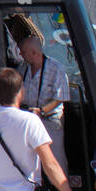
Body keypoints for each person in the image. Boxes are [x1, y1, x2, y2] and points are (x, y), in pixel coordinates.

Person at [17, 36, 69, 177]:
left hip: (50, 121)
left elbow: (61, 98)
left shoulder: (55, 68)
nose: (20, 54)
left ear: (34, 52)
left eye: (23, 51)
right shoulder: (23, 68)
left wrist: (41, 111)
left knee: (55, 159)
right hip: (28, 119)